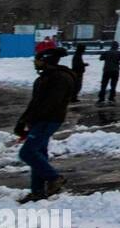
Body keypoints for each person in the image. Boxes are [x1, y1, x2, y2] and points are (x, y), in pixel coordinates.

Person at [14, 47, 78, 202]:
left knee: (27, 153)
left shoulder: (60, 78)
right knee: (39, 154)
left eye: (38, 59)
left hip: (48, 120)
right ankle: (37, 191)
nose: (35, 63)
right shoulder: (46, 77)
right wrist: (23, 121)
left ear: (46, 60)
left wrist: (34, 120)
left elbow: (50, 103)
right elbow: (35, 103)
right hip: (39, 120)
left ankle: (55, 178)